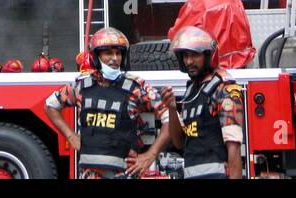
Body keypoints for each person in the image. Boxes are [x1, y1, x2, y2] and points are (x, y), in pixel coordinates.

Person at [44, 28, 171, 179]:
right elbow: (50, 106)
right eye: (108, 53)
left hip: (125, 173)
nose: (115, 58)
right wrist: (70, 136)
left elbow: (170, 117)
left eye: (119, 53)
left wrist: (151, 154)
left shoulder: (135, 87)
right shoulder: (82, 86)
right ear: (96, 56)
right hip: (89, 174)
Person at [161, 26, 244, 180]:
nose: (189, 61)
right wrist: (172, 109)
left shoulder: (224, 89)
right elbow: (179, 143)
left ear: (209, 56)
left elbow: (234, 147)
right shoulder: (191, 91)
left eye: (195, 55)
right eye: (185, 56)